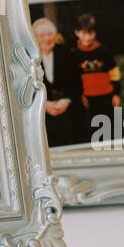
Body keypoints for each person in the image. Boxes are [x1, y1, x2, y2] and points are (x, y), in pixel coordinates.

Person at [31, 16, 82, 149]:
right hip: (41, 116)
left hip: (68, 112)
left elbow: (77, 84)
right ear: (34, 37)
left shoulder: (67, 54)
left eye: (50, 34)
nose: (47, 38)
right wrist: (44, 104)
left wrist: (67, 100)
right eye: (42, 35)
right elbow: (27, 88)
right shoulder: (29, 60)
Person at [73, 12, 121, 142]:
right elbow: (74, 78)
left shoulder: (103, 51)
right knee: (93, 127)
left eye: (91, 33)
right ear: (77, 33)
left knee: (112, 126)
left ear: (95, 33)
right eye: (84, 33)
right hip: (88, 98)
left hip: (107, 95)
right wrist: (80, 95)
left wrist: (116, 93)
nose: (88, 37)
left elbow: (114, 72)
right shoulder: (74, 53)